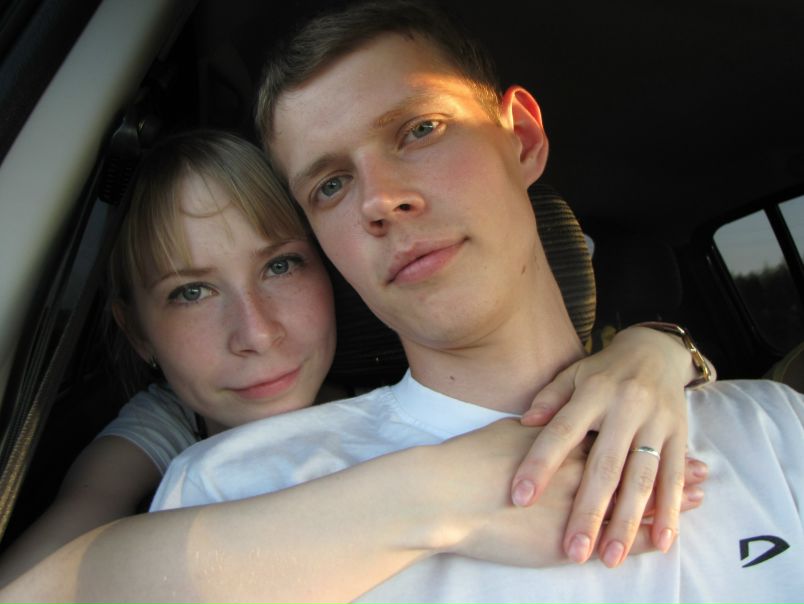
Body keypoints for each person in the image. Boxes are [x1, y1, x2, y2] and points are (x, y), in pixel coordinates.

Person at [149, 1, 804, 602]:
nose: (379, 200)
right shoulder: (236, 488)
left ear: (522, 139)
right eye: (330, 185)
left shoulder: (772, 428)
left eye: (420, 129)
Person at [0, 128, 707, 602]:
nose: (257, 333)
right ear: (137, 332)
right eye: (191, 292)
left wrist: (656, 349)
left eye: (281, 266)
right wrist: (435, 494)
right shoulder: (162, 429)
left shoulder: (414, 387)